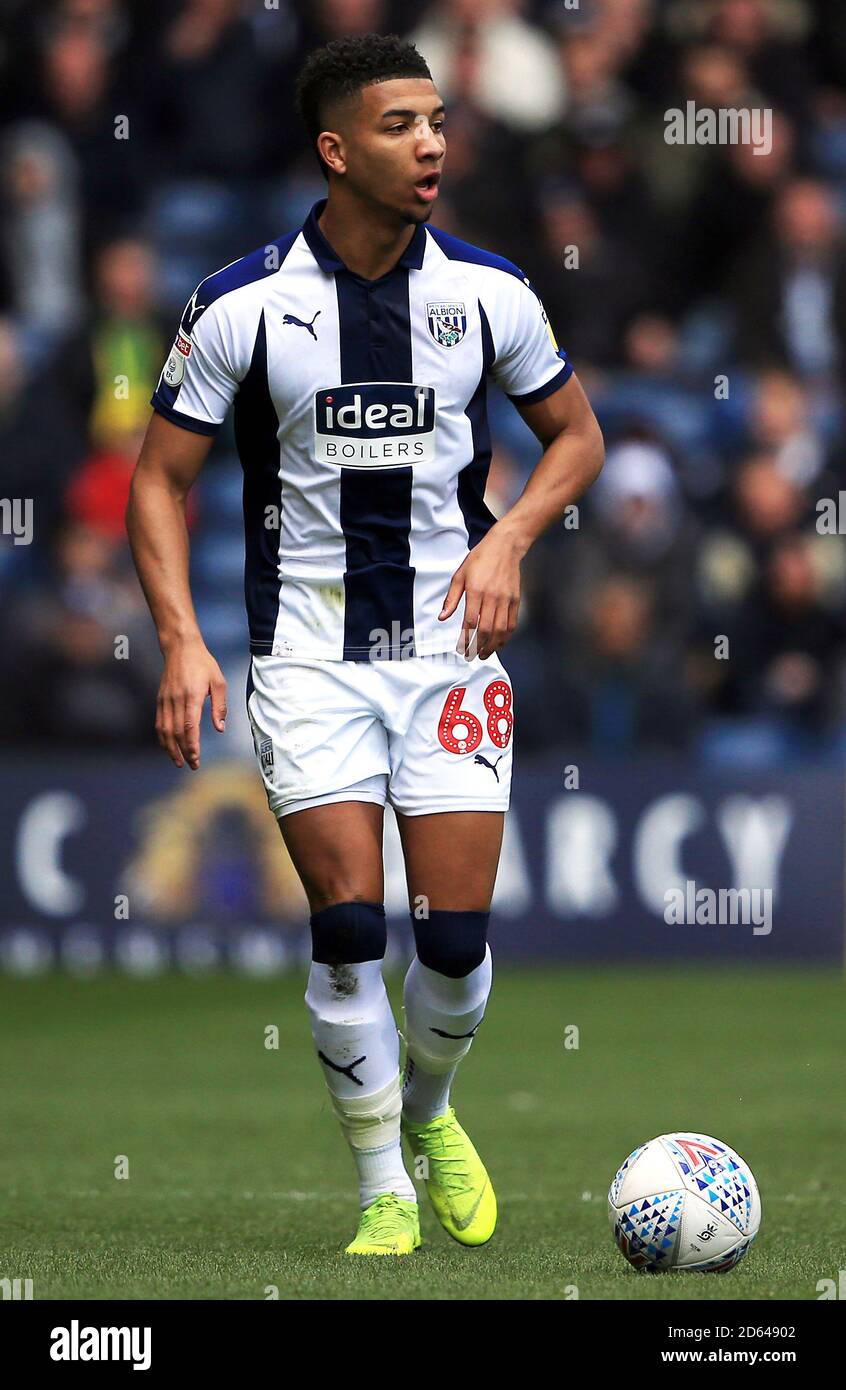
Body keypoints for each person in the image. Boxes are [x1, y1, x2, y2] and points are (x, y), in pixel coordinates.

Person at [126, 32, 603, 1258]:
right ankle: (383, 1183)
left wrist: (507, 548)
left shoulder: (489, 292)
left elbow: (578, 439)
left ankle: (433, 1111)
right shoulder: (243, 305)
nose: (433, 141)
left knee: (451, 941)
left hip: (448, 651)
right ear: (337, 150)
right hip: (307, 656)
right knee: (348, 924)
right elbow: (155, 482)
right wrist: (182, 640)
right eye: (401, 124)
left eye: (437, 119)